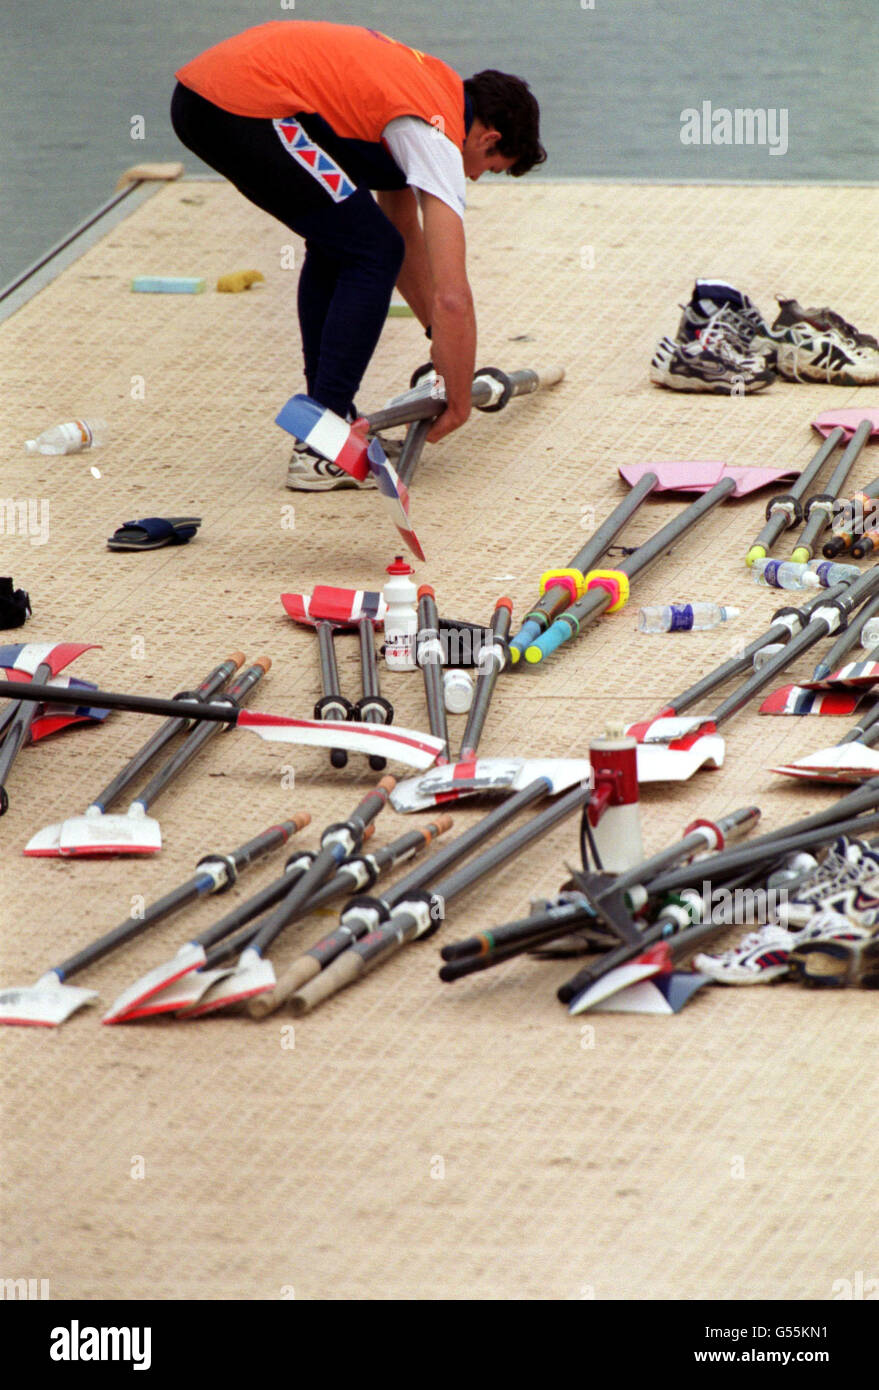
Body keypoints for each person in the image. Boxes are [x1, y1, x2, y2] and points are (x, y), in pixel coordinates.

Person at [171, 19, 545, 489]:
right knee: (370, 251)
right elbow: (453, 295)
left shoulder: (428, 89)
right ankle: (321, 443)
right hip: (240, 104)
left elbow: (405, 232)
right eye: (490, 168)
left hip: (207, 97)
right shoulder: (436, 133)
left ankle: (325, 421)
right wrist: (459, 400)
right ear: (489, 138)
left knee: (346, 241)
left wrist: (442, 347)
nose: (475, 178)